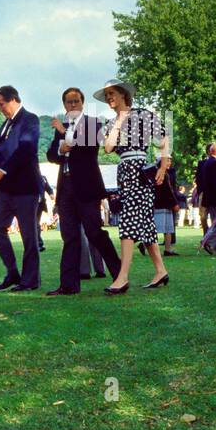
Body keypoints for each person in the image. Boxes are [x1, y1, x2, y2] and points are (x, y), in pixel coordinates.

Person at [96, 78, 172, 294]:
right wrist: (119, 121)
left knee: (129, 222)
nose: (109, 97)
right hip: (124, 170)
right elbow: (109, 148)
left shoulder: (143, 115)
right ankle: (160, 270)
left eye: (112, 93)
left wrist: (163, 167)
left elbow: (164, 139)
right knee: (145, 224)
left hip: (140, 169)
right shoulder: (110, 124)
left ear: (123, 94)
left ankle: (122, 277)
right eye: (107, 95)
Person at [46, 86, 123, 295]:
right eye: (69, 102)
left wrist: (66, 136)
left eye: (76, 101)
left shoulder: (92, 123)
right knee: (69, 237)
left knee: (95, 233)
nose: (72, 105)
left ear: (82, 103)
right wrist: (59, 149)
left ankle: (119, 274)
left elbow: (88, 150)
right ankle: (69, 285)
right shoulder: (60, 127)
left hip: (87, 187)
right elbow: (51, 155)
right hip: (66, 187)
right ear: (64, 105)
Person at [0, 85, 44, 289]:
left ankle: (30, 280)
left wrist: (3, 171)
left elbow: (26, 149)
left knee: (28, 236)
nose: (0, 109)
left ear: (13, 99)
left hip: (26, 188)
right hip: (5, 191)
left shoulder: (31, 119)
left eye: (1, 104)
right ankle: (12, 272)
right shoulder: (5, 126)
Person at [152, 165, 182, 256]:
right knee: (159, 228)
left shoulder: (165, 174)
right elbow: (168, 190)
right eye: (167, 160)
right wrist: (174, 203)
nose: (169, 162)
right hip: (163, 204)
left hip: (161, 204)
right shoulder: (163, 174)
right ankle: (146, 245)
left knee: (167, 227)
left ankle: (167, 249)